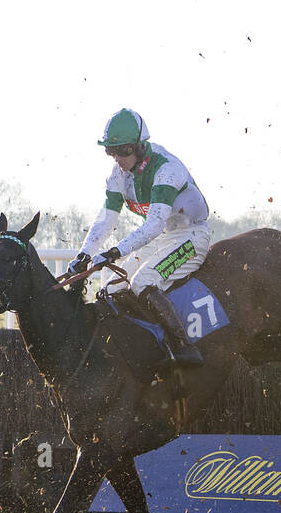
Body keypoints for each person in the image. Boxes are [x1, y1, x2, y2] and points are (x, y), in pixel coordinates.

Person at [70, 109, 210, 366]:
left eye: (122, 151)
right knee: (111, 288)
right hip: (165, 238)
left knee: (144, 280)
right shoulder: (118, 175)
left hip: (192, 236)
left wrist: (115, 252)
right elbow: (107, 217)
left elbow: (155, 223)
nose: (117, 158)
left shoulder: (166, 169)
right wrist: (85, 253)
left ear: (138, 146)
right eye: (111, 151)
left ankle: (184, 347)